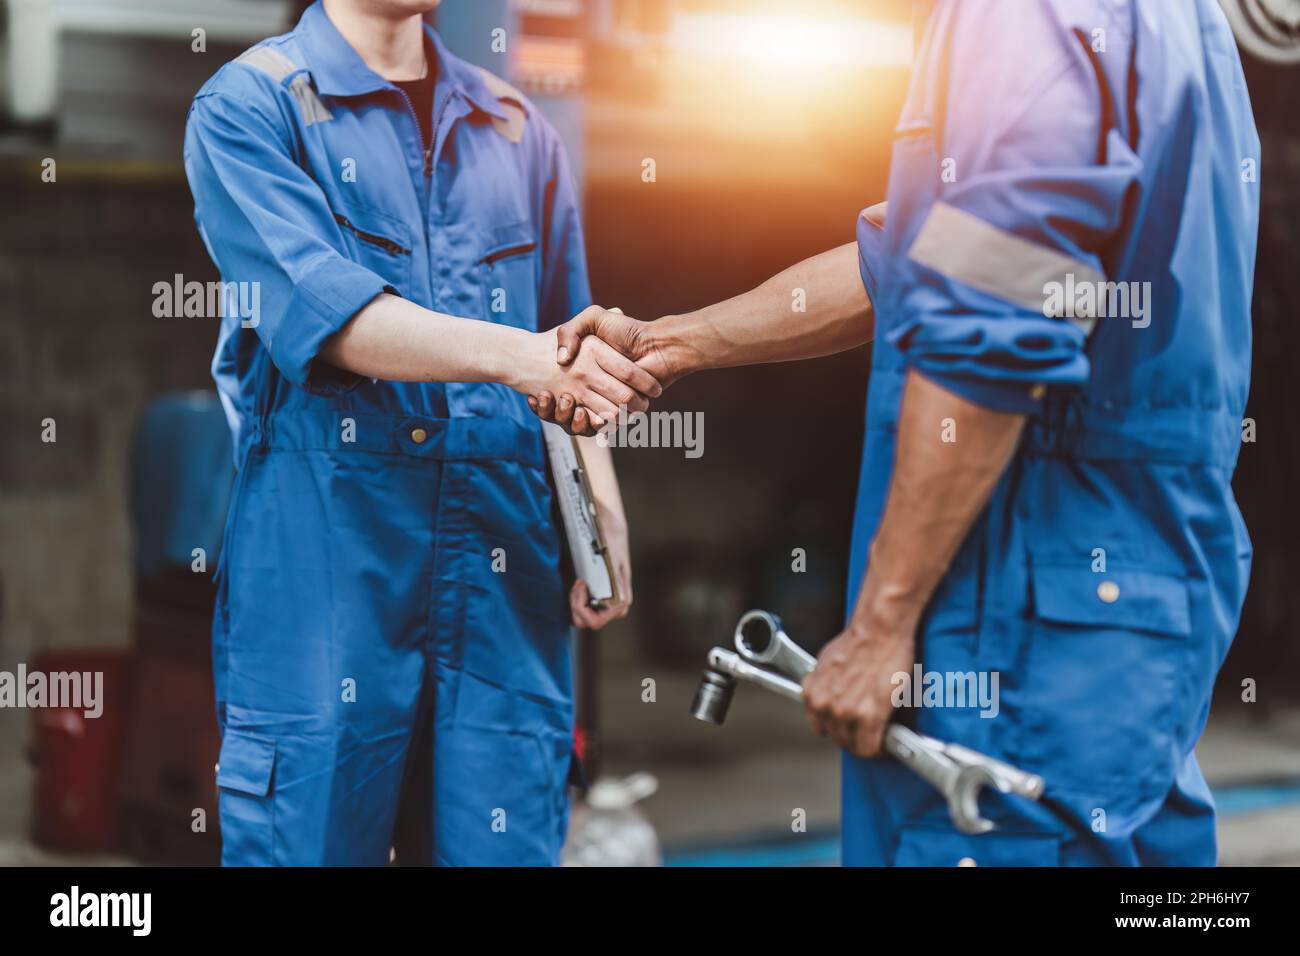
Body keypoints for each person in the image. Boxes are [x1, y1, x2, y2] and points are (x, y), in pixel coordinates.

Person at [536, 0, 1260, 866]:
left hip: (1018, 615)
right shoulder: (1188, 23)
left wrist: (882, 627)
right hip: (1136, 604)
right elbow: (923, 256)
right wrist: (668, 342)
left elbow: (994, 323)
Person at [184, 0, 659, 865]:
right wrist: (520, 359)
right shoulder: (250, 107)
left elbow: (569, 342)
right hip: (329, 563)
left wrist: (600, 509)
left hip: (502, 571)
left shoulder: (517, 130)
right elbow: (329, 319)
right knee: (309, 837)